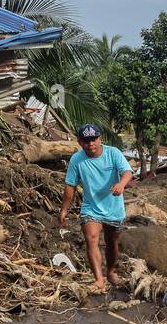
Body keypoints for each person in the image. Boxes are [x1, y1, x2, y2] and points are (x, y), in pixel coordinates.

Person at [57, 123, 133, 292]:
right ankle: (99, 280)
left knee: (112, 243)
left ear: (100, 139)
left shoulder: (113, 153)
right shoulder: (77, 159)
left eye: (93, 139)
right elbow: (70, 185)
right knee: (91, 239)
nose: (90, 143)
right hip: (91, 207)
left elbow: (127, 172)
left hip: (114, 208)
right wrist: (64, 209)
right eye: (86, 140)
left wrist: (121, 184)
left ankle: (111, 272)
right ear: (79, 141)